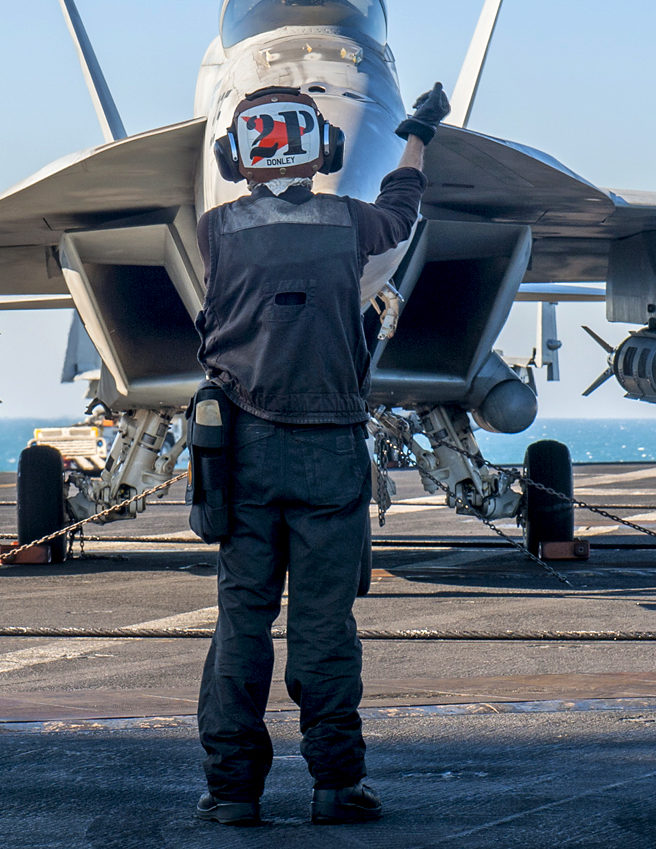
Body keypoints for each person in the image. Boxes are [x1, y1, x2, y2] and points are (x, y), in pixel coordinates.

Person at [191, 81, 448, 826]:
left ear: (234, 158)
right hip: (330, 447)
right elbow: (404, 213)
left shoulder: (215, 228)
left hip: (239, 445)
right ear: (324, 151)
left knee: (242, 616)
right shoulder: (349, 222)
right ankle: (336, 783)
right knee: (325, 621)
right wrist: (416, 135)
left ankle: (233, 789)